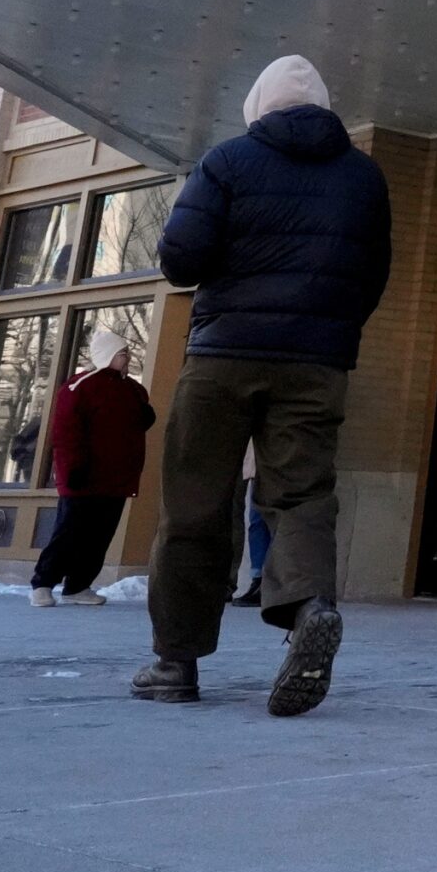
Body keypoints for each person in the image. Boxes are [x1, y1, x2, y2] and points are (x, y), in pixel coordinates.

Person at [138, 56, 391, 716]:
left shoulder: (226, 161)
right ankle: (310, 605)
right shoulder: (364, 176)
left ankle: (175, 661)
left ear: (258, 106)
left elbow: (180, 258)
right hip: (316, 362)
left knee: (195, 501)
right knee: (302, 494)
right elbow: (374, 274)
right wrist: (327, 333)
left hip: (223, 355)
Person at [30, 329, 153, 608]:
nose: (128, 358)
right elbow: (66, 433)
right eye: (122, 354)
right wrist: (71, 469)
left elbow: (135, 426)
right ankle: (43, 582)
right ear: (107, 356)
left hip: (117, 478)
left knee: (100, 536)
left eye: (127, 353)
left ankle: (78, 585)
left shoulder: (133, 389)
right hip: (84, 477)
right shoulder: (80, 388)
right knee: (69, 531)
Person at [231, 444, 270, 607]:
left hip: (276, 461)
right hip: (257, 463)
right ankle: (258, 579)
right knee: (257, 523)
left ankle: (269, 581)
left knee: (271, 522)